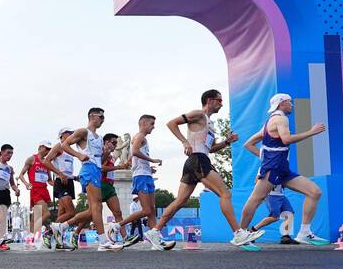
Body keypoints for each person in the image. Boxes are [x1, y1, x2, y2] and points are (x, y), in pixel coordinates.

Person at [146, 90, 259, 250]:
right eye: (219, 100)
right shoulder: (198, 114)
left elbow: (211, 149)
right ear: (210, 100)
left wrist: (227, 142)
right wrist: (185, 142)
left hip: (197, 159)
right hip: (198, 159)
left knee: (180, 201)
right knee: (225, 194)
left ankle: (155, 231)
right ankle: (238, 233)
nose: (222, 104)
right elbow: (171, 123)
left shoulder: (210, 124)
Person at [236, 93, 329, 245]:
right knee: (255, 199)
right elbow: (286, 139)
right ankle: (241, 232)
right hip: (273, 168)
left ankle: (304, 232)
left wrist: (264, 155)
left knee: (314, 192)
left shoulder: (269, 122)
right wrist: (311, 132)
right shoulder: (280, 119)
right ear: (282, 103)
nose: (292, 105)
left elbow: (248, 143)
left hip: (283, 169)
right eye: (290, 102)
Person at [46, 108, 123, 252]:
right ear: (92, 116)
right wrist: (78, 155)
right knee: (96, 206)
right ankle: (103, 241)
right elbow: (65, 145)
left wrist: (106, 153)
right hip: (88, 170)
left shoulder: (99, 138)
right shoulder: (83, 132)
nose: (103, 119)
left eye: (104, 117)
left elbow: (100, 159)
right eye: (101, 116)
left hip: (96, 170)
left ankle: (60, 226)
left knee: (94, 208)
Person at [117, 114, 162, 246]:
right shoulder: (139, 136)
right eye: (151, 124)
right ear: (143, 124)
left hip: (146, 175)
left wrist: (148, 167)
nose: (153, 127)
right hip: (141, 177)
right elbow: (135, 151)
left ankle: (156, 240)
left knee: (152, 210)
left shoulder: (142, 138)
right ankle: (118, 225)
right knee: (147, 210)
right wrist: (152, 160)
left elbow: (132, 159)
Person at [18, 142, 64, 245]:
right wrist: (26, 184)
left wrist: (59, 182)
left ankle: (29, 239)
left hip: (44, 190)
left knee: (35, 216)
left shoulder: (47, 162)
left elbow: (50, 181)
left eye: (49, 149)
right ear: (40, 148)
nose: (47, 151)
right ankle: (33, 234)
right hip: (35, 190)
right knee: (46, 213)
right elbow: (21, 174)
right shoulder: (32, 159)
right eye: (46, 148)